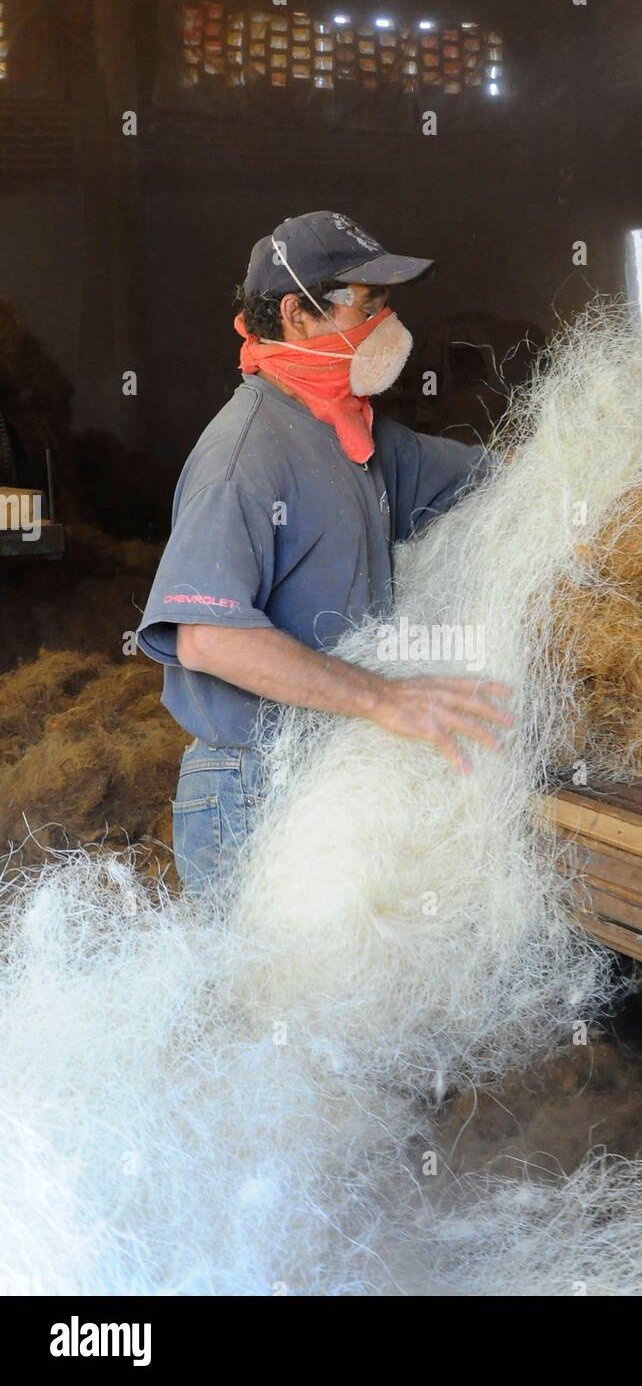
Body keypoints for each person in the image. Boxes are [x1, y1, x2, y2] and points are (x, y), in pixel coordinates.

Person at [137, 211, 512, 891]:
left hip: (324, 772)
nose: (387, 325)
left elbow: (489, 474)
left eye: (387, 304)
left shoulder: (356, 436)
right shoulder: (245, 453)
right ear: (297, 314)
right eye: (366, 305)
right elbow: (205, 637)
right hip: (251, 787)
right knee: (271, 996)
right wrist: (383, 699)